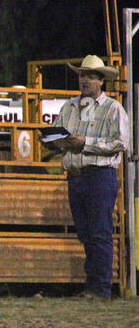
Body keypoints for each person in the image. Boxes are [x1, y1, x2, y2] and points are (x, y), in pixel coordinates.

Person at [47, 55, 130, 299]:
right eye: (82, 75)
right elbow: (56, 136)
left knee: (99, 231)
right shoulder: (69, 106)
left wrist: (85, 143)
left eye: (90, 76)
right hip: (77, 175)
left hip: (99, 175)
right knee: (86, 232)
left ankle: (100, 288)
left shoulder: (112, 108)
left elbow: (121, 142)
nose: (84, 80)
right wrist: (60, 141)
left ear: (100, 81)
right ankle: (93, 286)